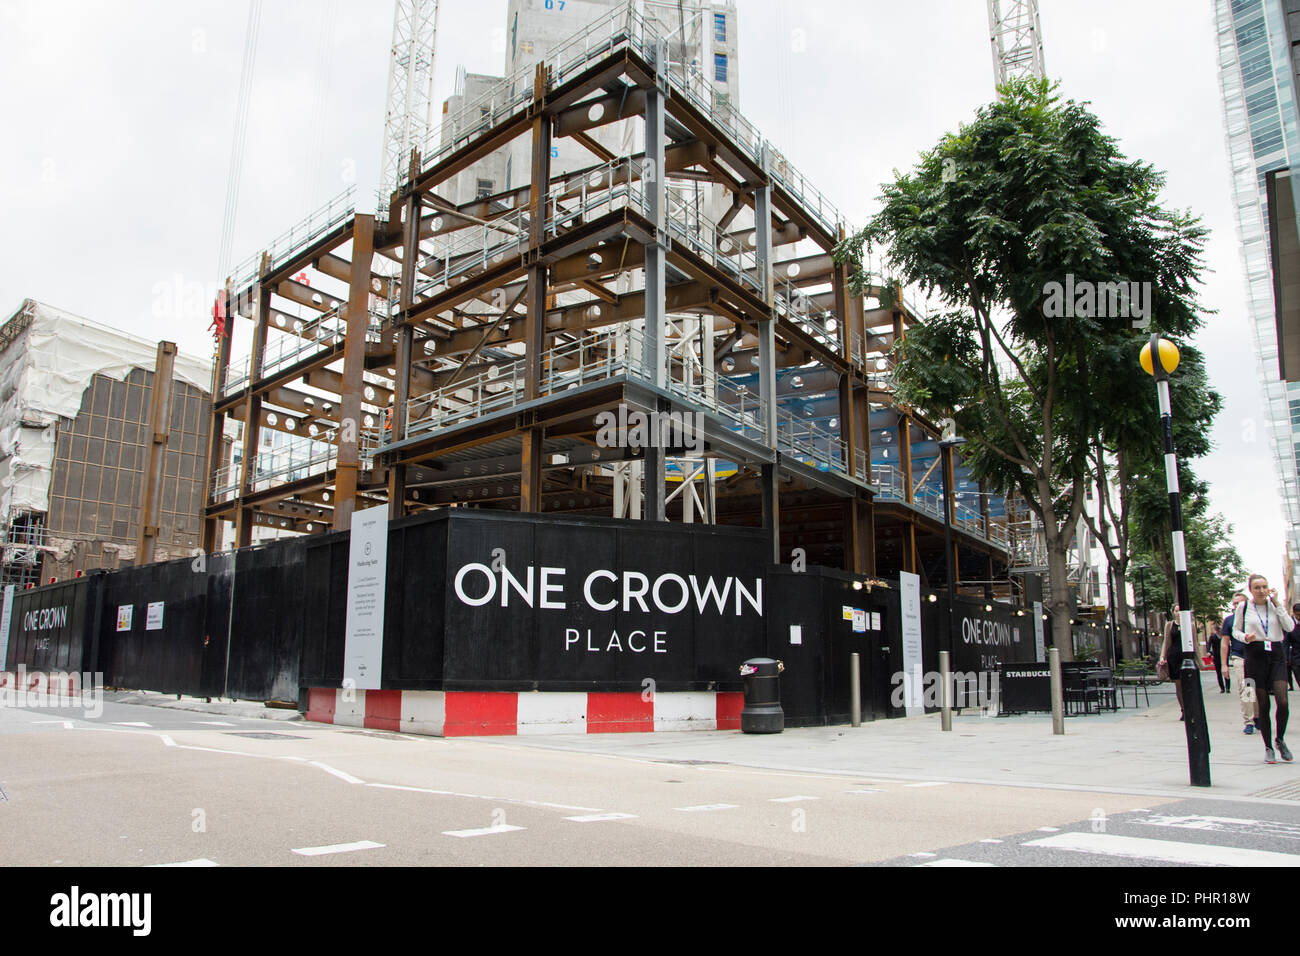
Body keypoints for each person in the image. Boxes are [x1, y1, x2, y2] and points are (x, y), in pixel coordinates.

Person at [1233, 574, 1297, 764]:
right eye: (1257, 587)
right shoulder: (1244, 608)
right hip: (1255, 654)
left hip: (1276, 654)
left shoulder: (1275, 606)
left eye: (1264, 587)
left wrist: (1278, 604)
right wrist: (1245, 637)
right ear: (1251, 590)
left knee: (1282, 700)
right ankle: (1268, 746)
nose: (1262, 591)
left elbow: (1290, 627)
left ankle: (1280, 740)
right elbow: (1235, 631)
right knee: (1263, 705)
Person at [1221, 592, 1253, 734]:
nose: (1236, 606)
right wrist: (1224, 664)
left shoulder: (1253, 619)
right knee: (1246, 688)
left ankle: (1257, 716)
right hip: (1239, 657)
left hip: (1256, 657)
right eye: (1234, 603)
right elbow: (1224, 644)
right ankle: (1249, 721)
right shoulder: (1229, 621)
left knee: (1255, 689)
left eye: (1239, 603)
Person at [1160, 605, 1187, 721]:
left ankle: (1191, 707)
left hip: (1186, 657)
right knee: (1179, 685)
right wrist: (1162, 656)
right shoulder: (1170, 625)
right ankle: (1183, 709)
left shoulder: (1189, 625)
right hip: (1174, 657)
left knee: (1189, 684)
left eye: (1180, 610)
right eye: (1176, 611)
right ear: (1173, 612)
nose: (1178, 613)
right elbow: (1166, 642)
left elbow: (1194, 643)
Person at [1209, 615, 1226, 693]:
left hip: (1224, 655)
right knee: (1219, 672)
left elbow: (1227, 645)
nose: (1218, 630)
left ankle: (1228, 687)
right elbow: (1209, 644)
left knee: (1226, 671)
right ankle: (1222, 688)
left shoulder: (1223, 636)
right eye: (1217, 629)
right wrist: (1209, 652)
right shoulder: (1213, 637)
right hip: (1216, 655)